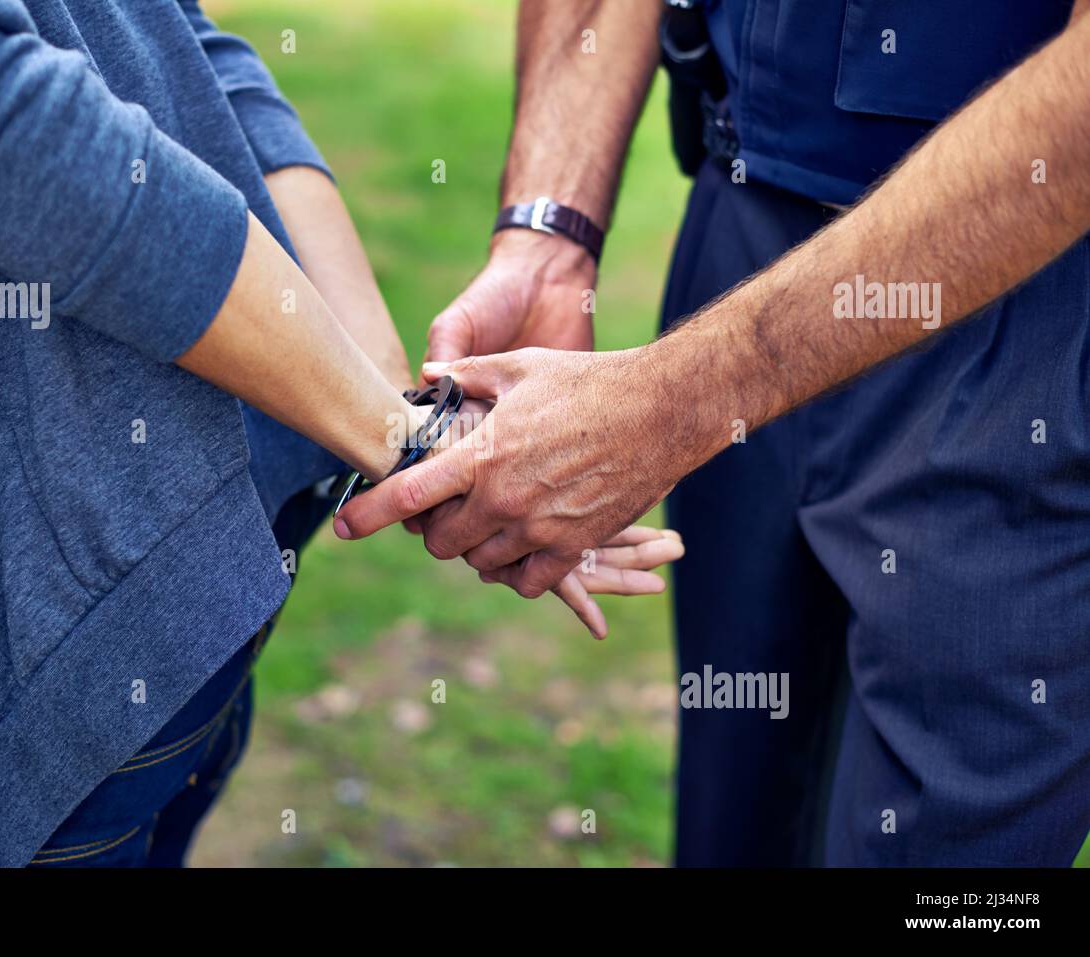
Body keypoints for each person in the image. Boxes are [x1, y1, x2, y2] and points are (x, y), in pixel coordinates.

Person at [0, 0, 677, 867]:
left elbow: (155, 50)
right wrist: (407, 432)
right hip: (167, 558)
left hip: (49, 626)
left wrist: (407, 426)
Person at [336, 0, 1090, 865]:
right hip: (743, 225)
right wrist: (550, 232)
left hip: (1029, 294)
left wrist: (671, 402)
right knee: (733, 814)